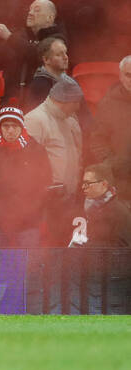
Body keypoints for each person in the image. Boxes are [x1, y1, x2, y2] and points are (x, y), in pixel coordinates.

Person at [0, 105, 52, 248]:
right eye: (6, 126)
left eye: (14, 126)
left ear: (22, 127)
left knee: (27, 265)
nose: (10, 130)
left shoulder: (37, 150)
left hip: (28, 220)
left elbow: (45, 182)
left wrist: (32, 210)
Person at [24, 74, 85, 200]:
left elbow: (79, 153)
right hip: (47, 198)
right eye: (76, 103)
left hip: (71, 195)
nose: (78, 107)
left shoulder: (71, 120)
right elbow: (28, 162)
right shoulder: (34, 120)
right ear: (65, 102)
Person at [90, 55, 131, 189]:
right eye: (128, 75)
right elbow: (97, 139)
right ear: (120, 76)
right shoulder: (108, 105)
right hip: (121, 183)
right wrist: (111, 163)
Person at [75, 161, 131, 247]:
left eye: (88, 183)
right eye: (83, 183)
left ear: (104, 184)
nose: (83, 187)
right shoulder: (96, 208)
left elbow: (122, 250)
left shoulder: (118, 211)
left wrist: (87, 246)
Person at [23, 36, 71, 110]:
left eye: (65, 53)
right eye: (59, 55)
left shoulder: (70, 83)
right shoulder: (39, 86)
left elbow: (85, 115)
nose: (65, 57)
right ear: (46, 60)